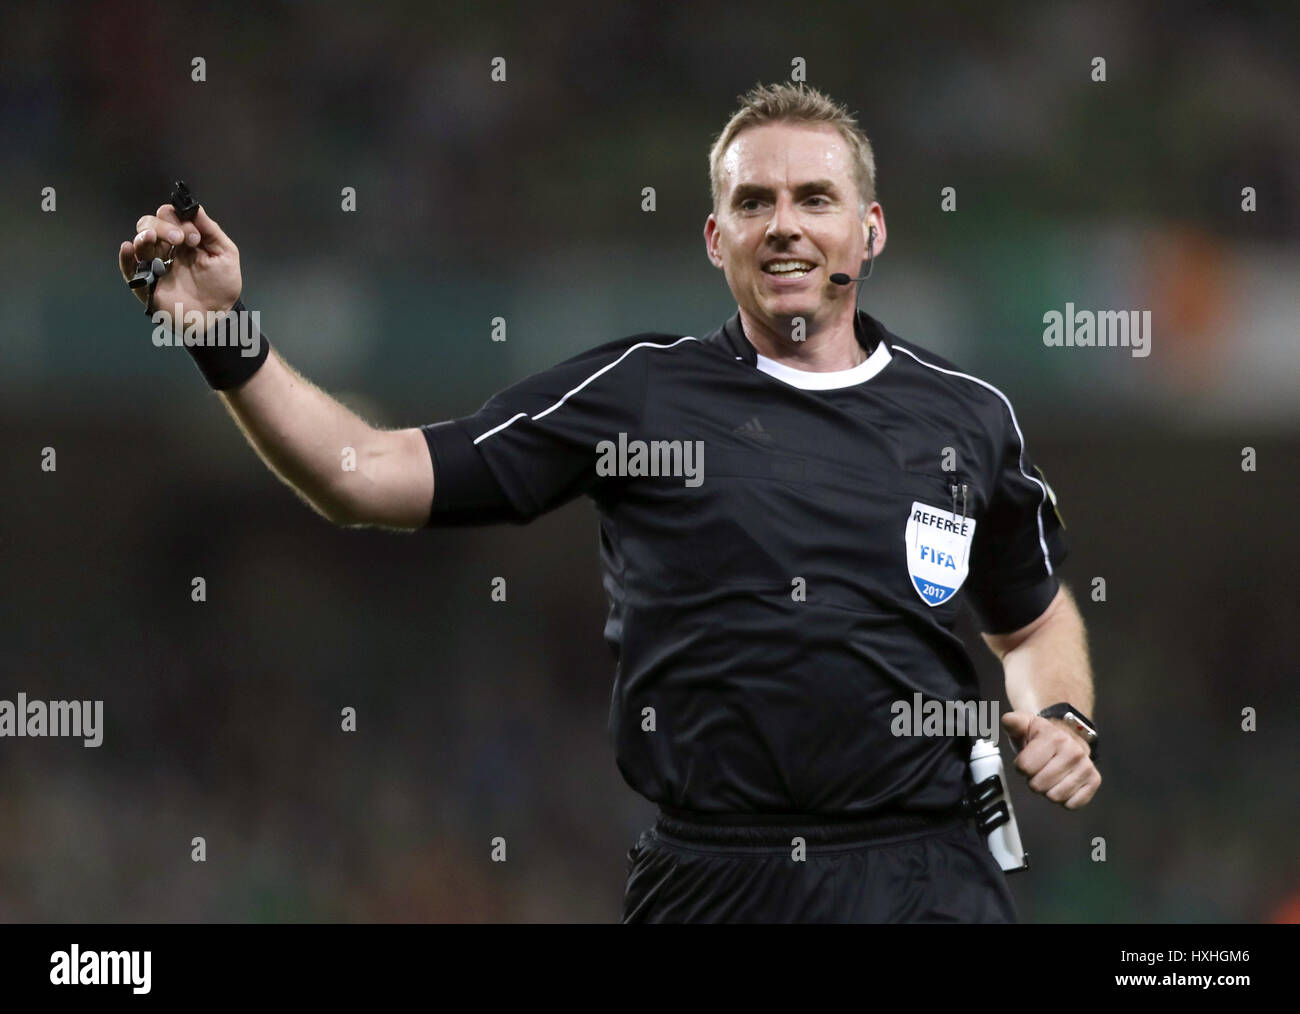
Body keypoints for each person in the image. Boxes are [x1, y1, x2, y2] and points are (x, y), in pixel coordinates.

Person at [118, 82, 1099, 923]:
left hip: (925, 872)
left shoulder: (964, 417)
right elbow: (363, 473)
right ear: (718, 238)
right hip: (715, 878)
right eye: (754, 202)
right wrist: (221, 335)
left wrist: (1059, 711)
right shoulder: (636, 395)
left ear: (868, 228)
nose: (786, 224)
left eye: (815, 198)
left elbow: (1032, 615)